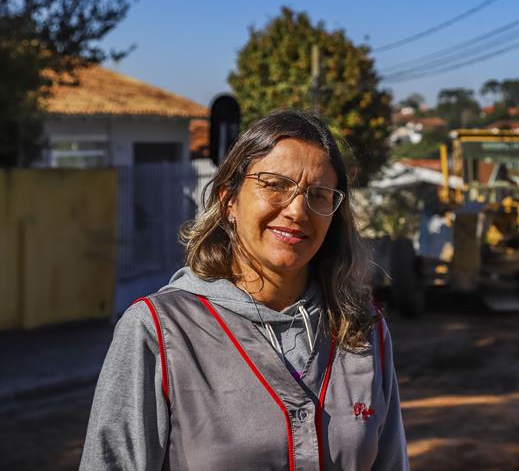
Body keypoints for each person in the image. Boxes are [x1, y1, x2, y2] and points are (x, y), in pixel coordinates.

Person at [81, 110, 410, 470]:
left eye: (318, 195)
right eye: (275, 185)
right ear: (229, 201)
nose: (297, 211)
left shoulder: (361, 330)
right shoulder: (161, 331)